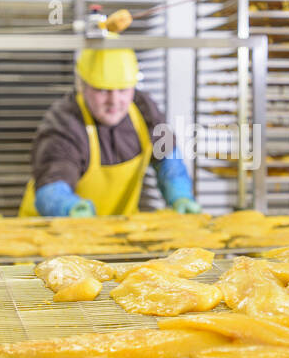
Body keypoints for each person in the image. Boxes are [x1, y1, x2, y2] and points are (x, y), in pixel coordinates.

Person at [19, 29, 200, 217]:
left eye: (123, 89)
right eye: (102, 90)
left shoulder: (144, 108)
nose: (114, 101)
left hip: (118, 232)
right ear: (82, 86)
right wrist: (68, 207)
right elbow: (52, 187)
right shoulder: (64, 123)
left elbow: (167, 157)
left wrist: (180, 195)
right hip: (54, 231)